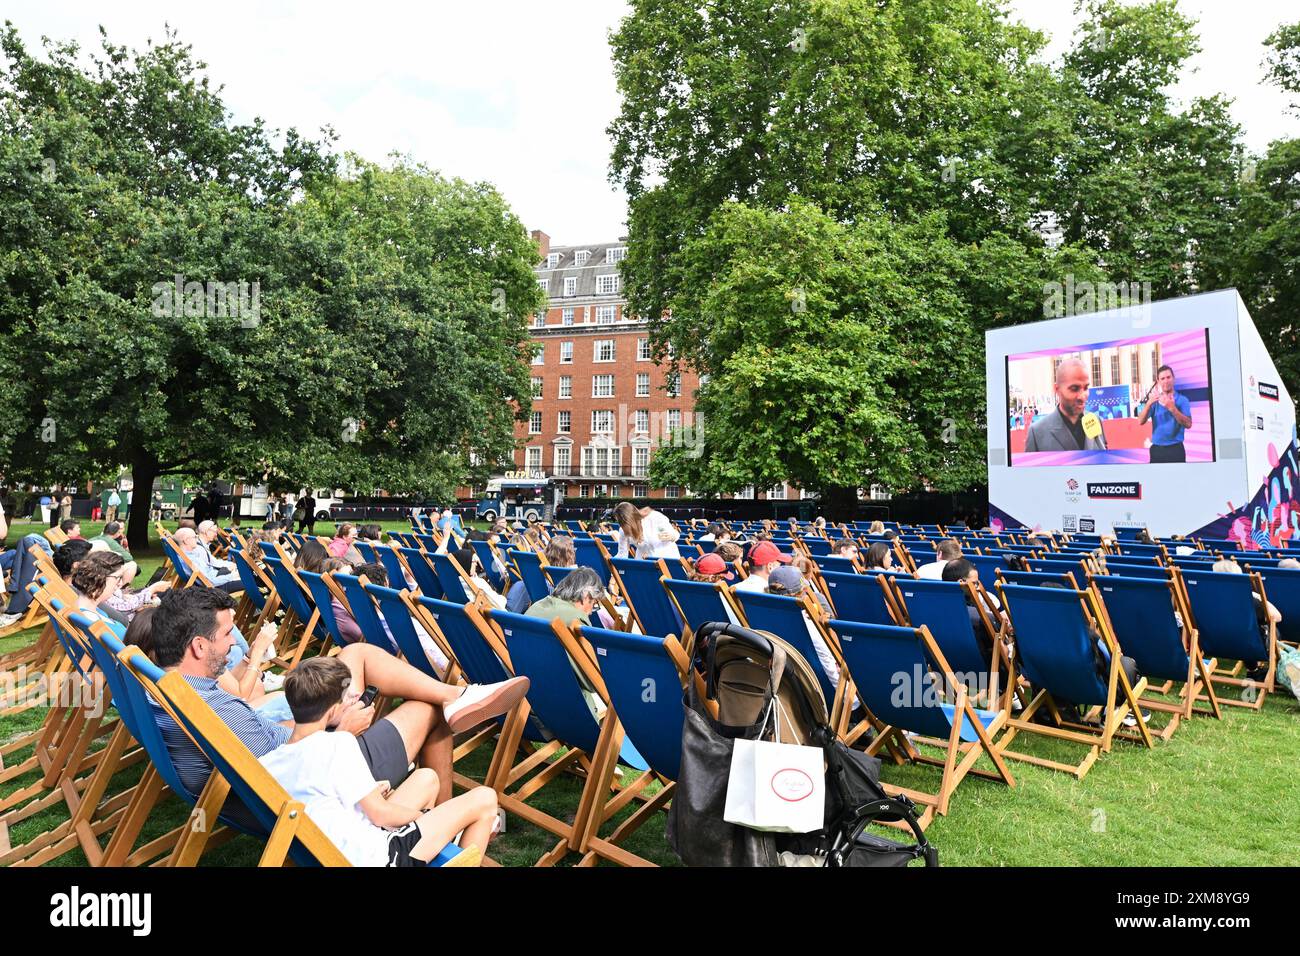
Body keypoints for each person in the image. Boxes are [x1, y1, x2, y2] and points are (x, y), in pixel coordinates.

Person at [147, 586, 529, 810]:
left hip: (292, 760)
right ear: (198, 646)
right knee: (427, 710)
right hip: (315, 778)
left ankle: (458, 696)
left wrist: (320, 721)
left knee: (357, 654)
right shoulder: (209, 707)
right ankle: (443, 827)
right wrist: (338, 731)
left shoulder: (169, 690)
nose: (234, 643)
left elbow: (264, 741)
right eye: (228, 634)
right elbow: (282, 769)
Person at [260, 657, 498, 866]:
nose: (353, 699)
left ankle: (436, 842)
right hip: (377, 857)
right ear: (333, 710)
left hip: (335, 847)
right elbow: (380, 815)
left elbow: (318, 798)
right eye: (347, 697)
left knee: (426, 778)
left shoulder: (269, 763)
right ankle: (450, 845)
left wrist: (369, 793)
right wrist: (431, 822)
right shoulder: (337, 743)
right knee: (485, 799)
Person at [765, 566, 841, 692]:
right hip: (820, 691)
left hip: (790, 689)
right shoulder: (807, 624)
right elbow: (828, 667)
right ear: (803, 591)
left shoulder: (765, 617)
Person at [1023, 358, 1108, 453]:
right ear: (1057, 389)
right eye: (1074, 388)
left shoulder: (1096, 421)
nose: (1082, 396)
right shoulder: (1037, 433)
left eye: (1086, 388)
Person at [1138, 365, 1192, 463]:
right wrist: (1148, 404)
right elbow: (1140, 421)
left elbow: (1188, 424)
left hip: (1176, 449)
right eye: (1162, 378)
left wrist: (1172, 408)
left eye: (1168, 377)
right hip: (1156, 450)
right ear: (1158, 381)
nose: (1166, 381)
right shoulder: (1154, 400)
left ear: (1173, 379)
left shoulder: (1183, 400)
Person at [174, 525, 242, 593]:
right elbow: (212, 581)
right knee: (250, 581)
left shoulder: (185, 555)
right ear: (186, 541)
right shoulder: (191, 560)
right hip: (217, 587)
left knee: (241, 572)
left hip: (216, 577)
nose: (197, 539)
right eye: (195, 537)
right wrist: (233, 576)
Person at [612, 501, 680, 560]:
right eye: (619, 522)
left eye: (622, 522)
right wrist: (611, 563)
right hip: (643, 563)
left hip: (667, 559)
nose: (621, 526)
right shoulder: (623, 531)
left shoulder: (654, 518)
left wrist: (672, 536)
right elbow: (622, 554)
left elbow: (675, 534)